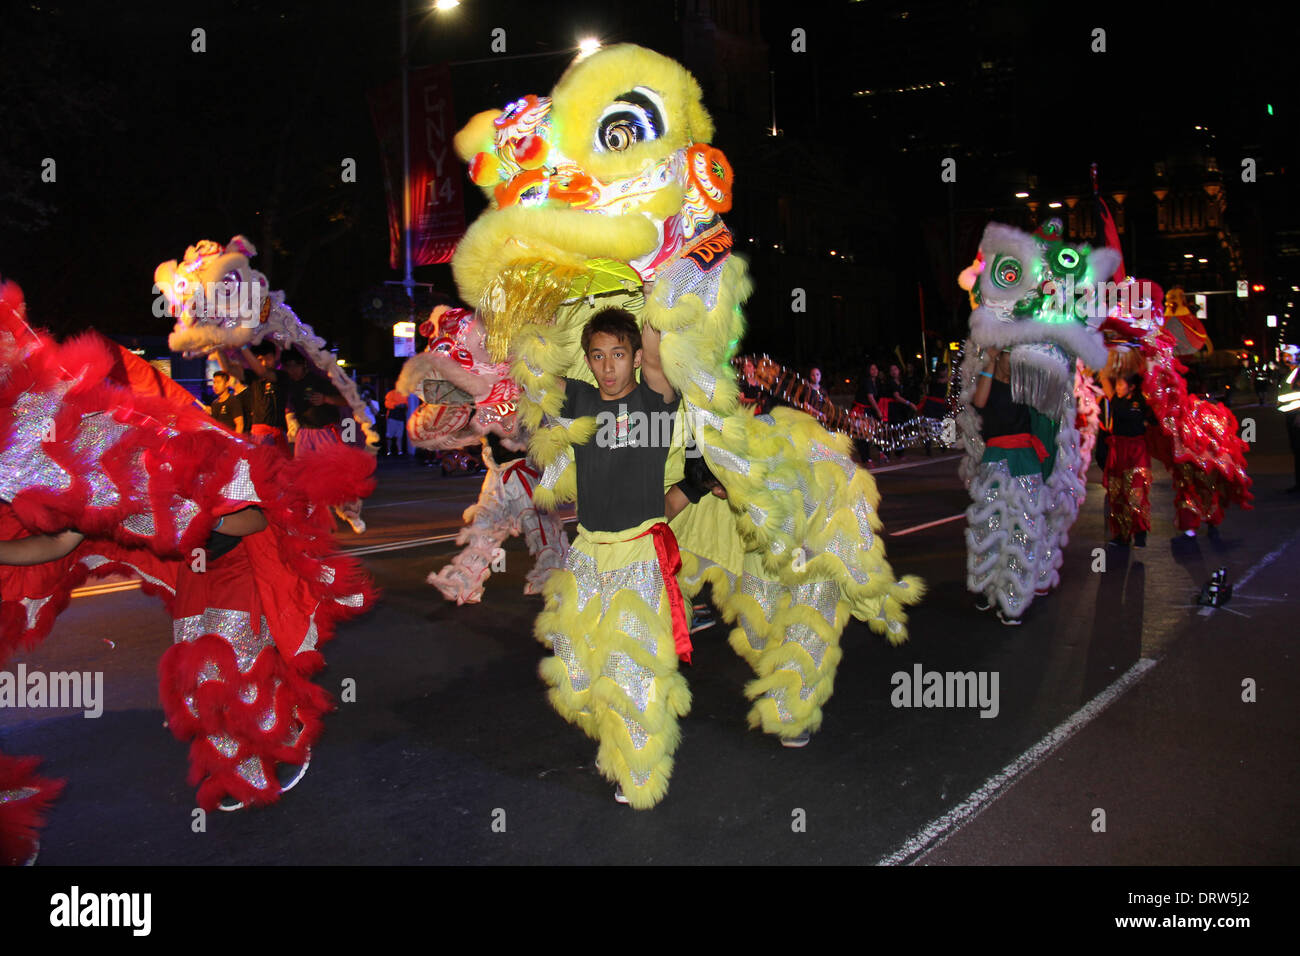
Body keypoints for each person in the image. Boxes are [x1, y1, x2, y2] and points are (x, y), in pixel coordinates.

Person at [535, 307, 688, 809]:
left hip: (637, 555)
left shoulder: (654, 401)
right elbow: (533, 366)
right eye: (597, 357)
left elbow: (660, 358)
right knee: (577, 663)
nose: (607, 367)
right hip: (586, 554)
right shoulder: (578, 401)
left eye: (618, 355)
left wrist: (653, 283)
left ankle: (638, 770)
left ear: (636, 357)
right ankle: (615, 736)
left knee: (631, 667)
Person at [966, 346, 1058, 626]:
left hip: (1026, 461)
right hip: (995, 459)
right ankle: (985, 585)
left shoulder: (1027, 384)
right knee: (990, 528)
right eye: (1007, 352)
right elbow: (980, 402)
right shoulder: (988, 380)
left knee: (1022, 531)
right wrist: (990, 361)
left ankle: (1012, 600)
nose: (1013, 357)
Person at [281, 349, 365, 533]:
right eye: (288, 367)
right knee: (303, 478)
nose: (292, 370)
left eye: (295, 365)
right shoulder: (289, 384)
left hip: (325, 433)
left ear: (303, 365)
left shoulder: (320, 380)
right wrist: (290, 418)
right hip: (305, 434)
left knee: (335, 475)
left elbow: (346, 400)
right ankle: (313, 520)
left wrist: (326, 399)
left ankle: (351, 514)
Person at [1100, 370, 1155, 547]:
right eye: (1116, 385)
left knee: (1136, 494)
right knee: (1117, 494)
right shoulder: (1115, 399)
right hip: (1118, 451)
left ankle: (1140, 533)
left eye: (1121, 385)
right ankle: (1120, 536)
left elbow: (1155, 420)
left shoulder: (1143, 400)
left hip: (1137, 451)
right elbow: (1104, 378)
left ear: (1131, 387)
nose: (1117, 388)